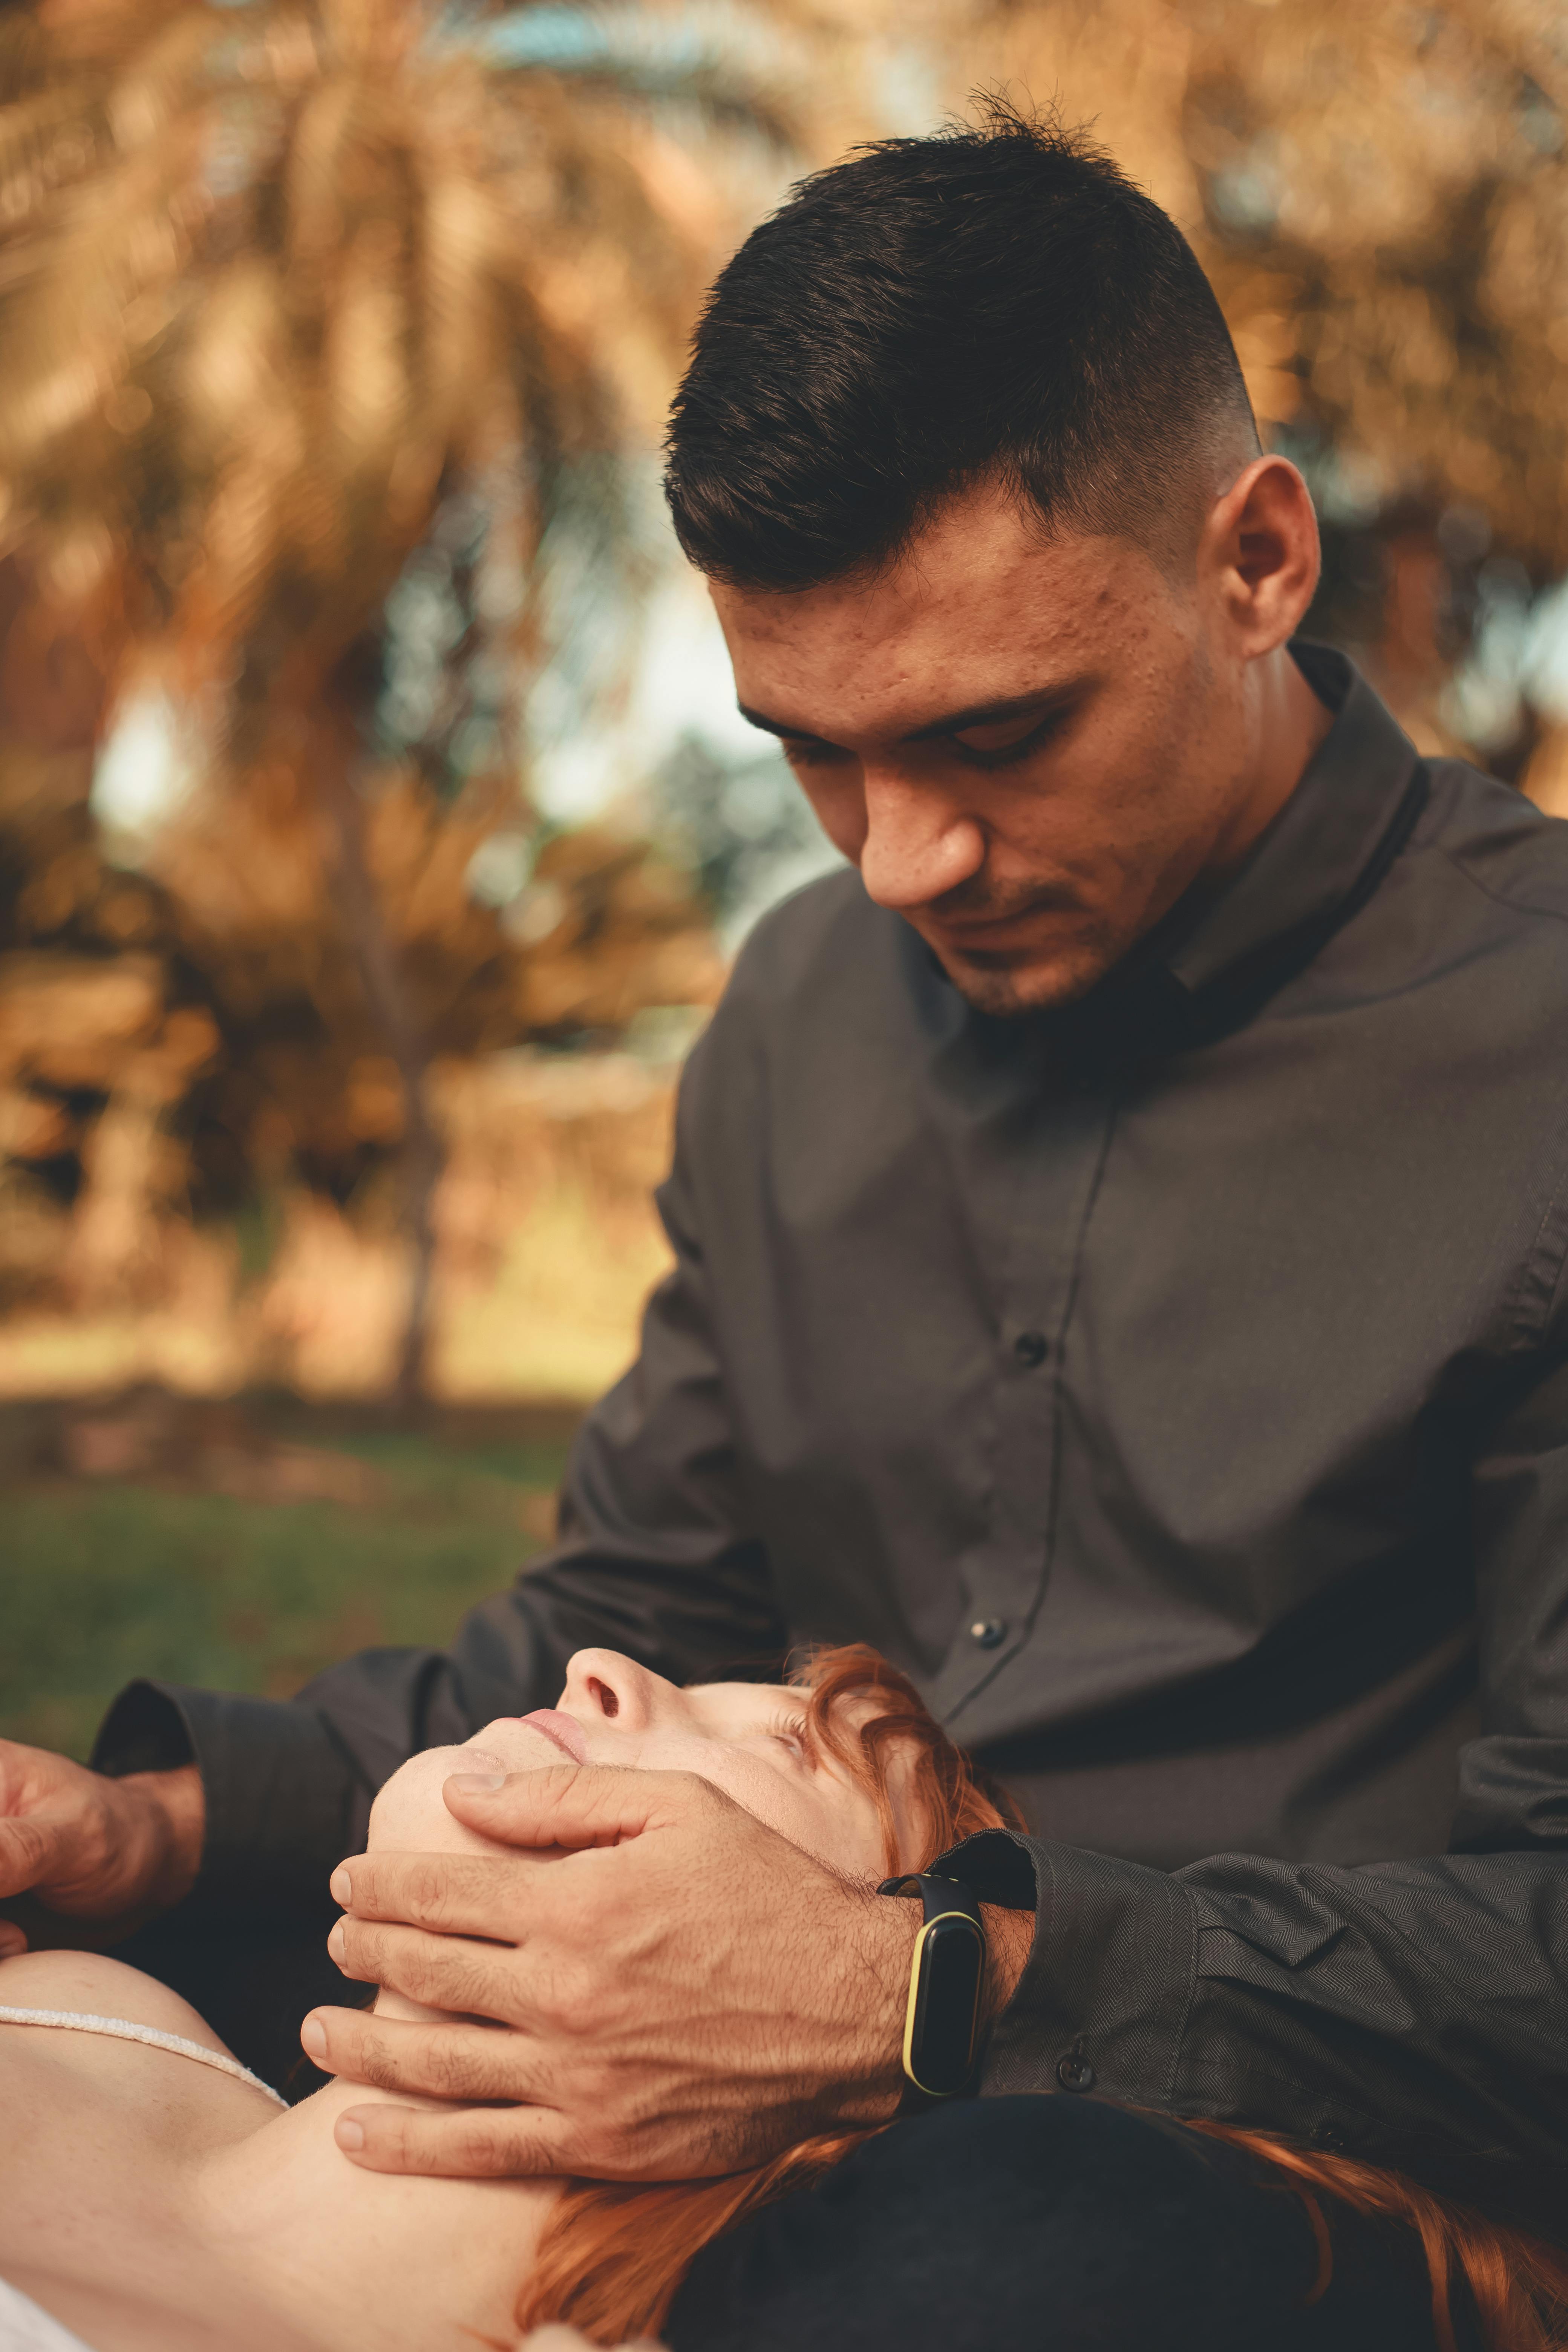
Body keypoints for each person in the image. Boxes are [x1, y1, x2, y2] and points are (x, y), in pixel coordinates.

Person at [6, 96, 1568, 2343]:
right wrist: (148, 1830)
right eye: (810, 754)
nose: (897, 861)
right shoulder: (804, 1020)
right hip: (751, 2050)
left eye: (999, 735)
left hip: (1295, 2161)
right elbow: (630, 1606)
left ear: (1257, 563)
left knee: (997, 2264)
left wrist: (912, 1990)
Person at [0, 1645, 1559, 2352]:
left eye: (778, 1752)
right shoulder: (77, 1993)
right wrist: (157, 1825)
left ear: (793, 2030)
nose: (602, 1666)